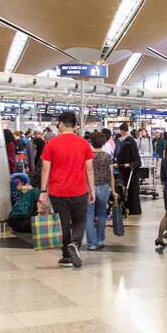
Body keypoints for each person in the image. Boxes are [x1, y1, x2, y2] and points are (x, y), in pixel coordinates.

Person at [41, 110, 94, 268]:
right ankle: (75, 244)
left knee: (63, 222)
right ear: (75, 125)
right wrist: (92, 189)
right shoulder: (84, 144)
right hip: (79, 190)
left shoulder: (51, 144)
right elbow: (89, 169)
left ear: (62, 124)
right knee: (80, 220)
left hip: (58, 191)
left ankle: (66, 255)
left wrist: (43, 192)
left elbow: (45, 170)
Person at [85, 131, 116, 251]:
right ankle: (101, 240)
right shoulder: (107, 156)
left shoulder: (88, 156)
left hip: (89, 187)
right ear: (104, 142)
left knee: (89, 216)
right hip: (104, 187)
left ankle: (91, 243)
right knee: (102, 214)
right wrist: (113, 190)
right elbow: (111, 175)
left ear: (91, 141)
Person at [115, 123, 143, 216]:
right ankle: (133, 209)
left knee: (130, 189)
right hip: (130, 169)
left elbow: (123, 155)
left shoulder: (127, 141)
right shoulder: (131, 141)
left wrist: (124, 164)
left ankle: (131, 208)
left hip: (129, 170)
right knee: (131, 190)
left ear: (122, 131)